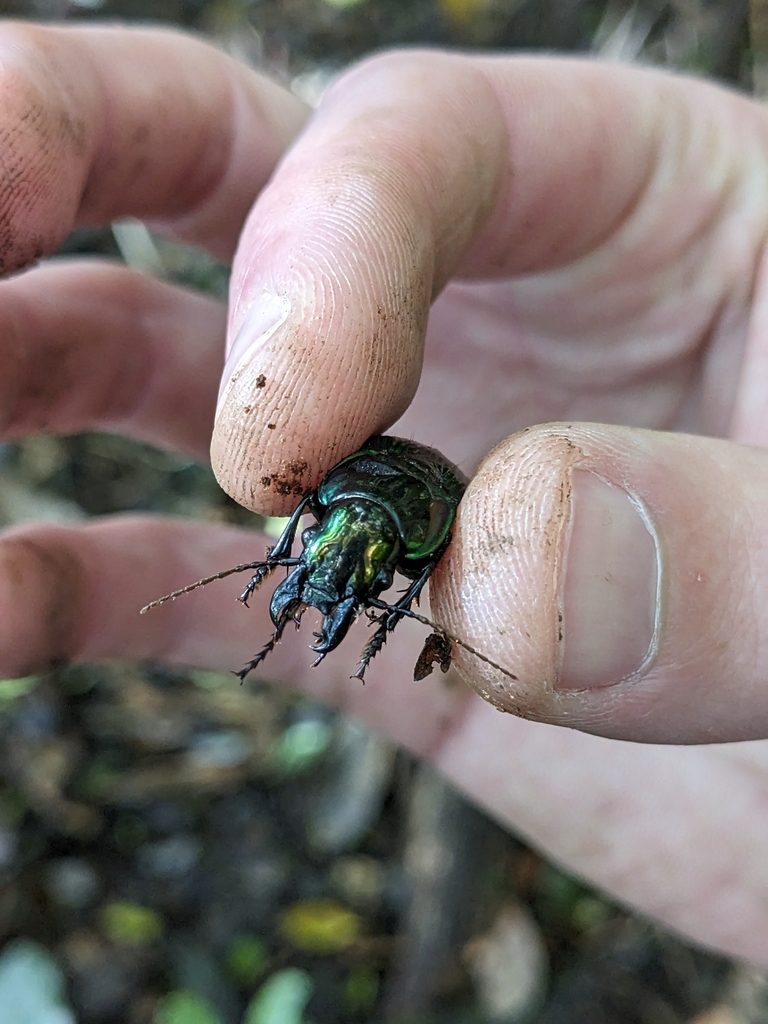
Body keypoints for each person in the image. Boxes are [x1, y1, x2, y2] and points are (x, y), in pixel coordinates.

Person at [0, 20, 765, 965]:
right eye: (319, 555)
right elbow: (322, 522)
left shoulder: (393, 536)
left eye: (325, 561)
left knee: (392, 568)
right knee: (331, 553)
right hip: (393, 493)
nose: (326, 571)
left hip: (422, 503)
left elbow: (388, 557)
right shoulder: (331, 515)